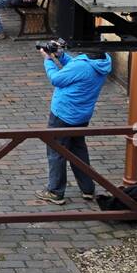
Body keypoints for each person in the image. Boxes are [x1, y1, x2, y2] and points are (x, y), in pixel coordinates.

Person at [36, 44, 112, 205]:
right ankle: (87, 189)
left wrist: (48, 60)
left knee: (56, 151)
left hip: (63, 114)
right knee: (78, 150)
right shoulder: (103, 62)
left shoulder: (82, 66)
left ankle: (55, 191)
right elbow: (76, 69)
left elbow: (56, 79)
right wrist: (61, 56)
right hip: (82, 115)